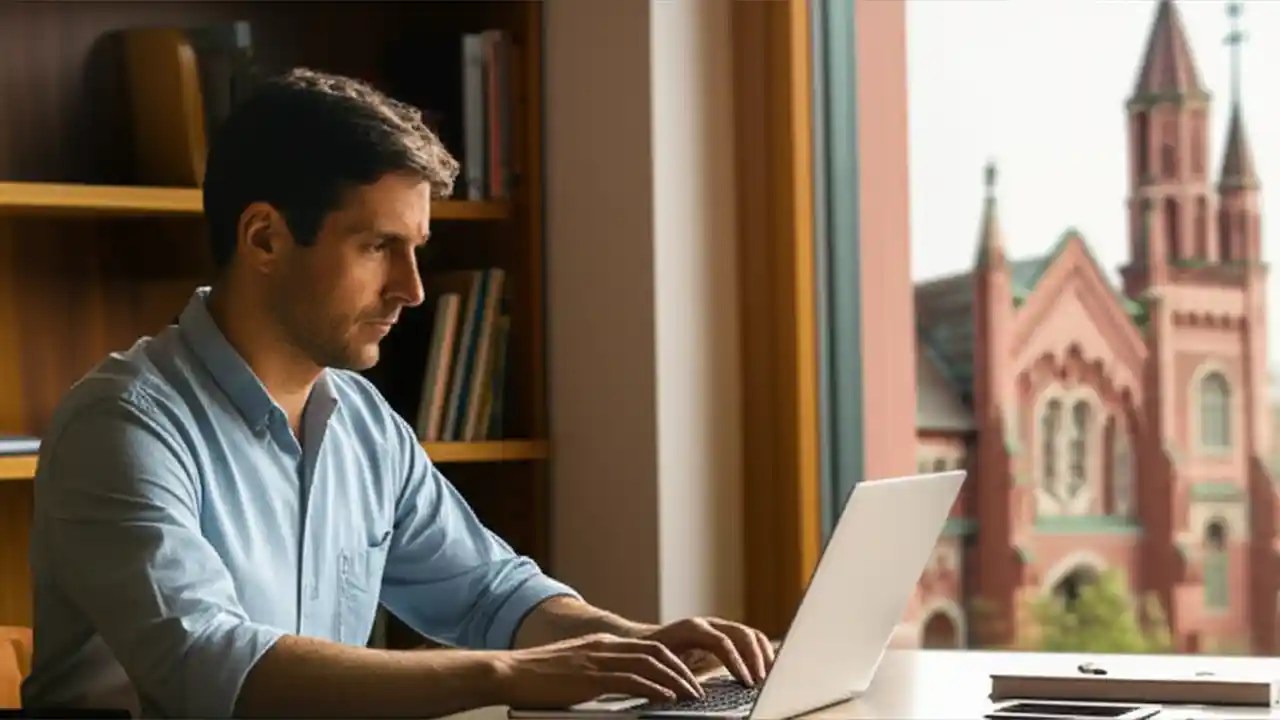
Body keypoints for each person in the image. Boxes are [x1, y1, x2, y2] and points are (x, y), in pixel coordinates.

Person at [20, 68, 774, 719]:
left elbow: (489, 593)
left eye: (416, 251)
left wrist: (635, 643)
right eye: (378, 247)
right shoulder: (123, 425)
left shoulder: (362, 423)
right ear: (264, 239)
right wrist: (507, 675)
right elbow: (210, 663)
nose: (412, 289)